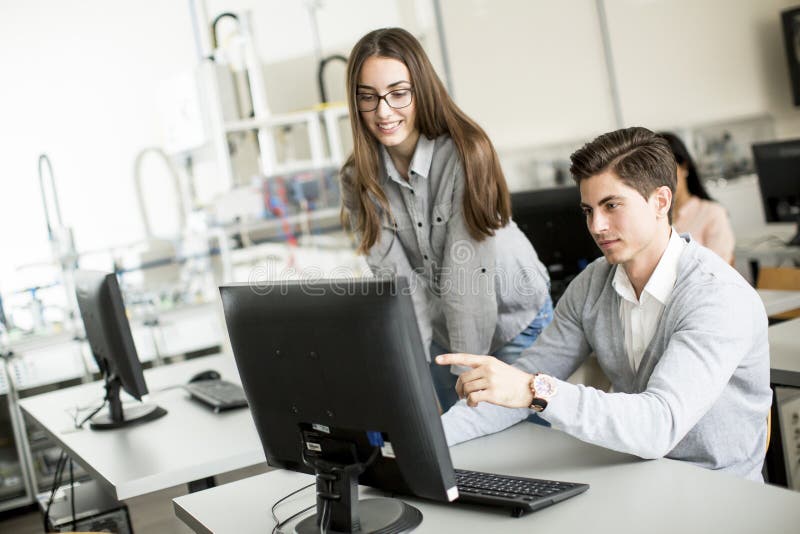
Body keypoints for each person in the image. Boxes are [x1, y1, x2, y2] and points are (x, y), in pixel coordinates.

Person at [437, 127, 771, 481]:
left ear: (660, 201)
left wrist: (536, 391)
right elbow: (523, 380)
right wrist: (422, 445)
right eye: (588, 210)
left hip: (721, 491)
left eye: (612, 206)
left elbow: (659, 425)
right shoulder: (593, 285)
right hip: (638, 477)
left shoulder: (717, 297)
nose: (597, 226)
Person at [339, 28, 552, 411]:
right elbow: (400, 287)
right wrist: (415, 372)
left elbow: (466, 279)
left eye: (398, 93)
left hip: (516, 320)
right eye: (368, 97)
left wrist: (466, 381)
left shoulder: (466, 154)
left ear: (421, 89)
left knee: (517, 445)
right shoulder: (359, 180)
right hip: (445, 336)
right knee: (462, 451)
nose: (383, 111)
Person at [659, 132, 735, 264]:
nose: (660, 178)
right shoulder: (652, 219)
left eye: (665, 169)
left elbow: (719, 272)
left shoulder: (712, 213)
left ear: (684, 167)